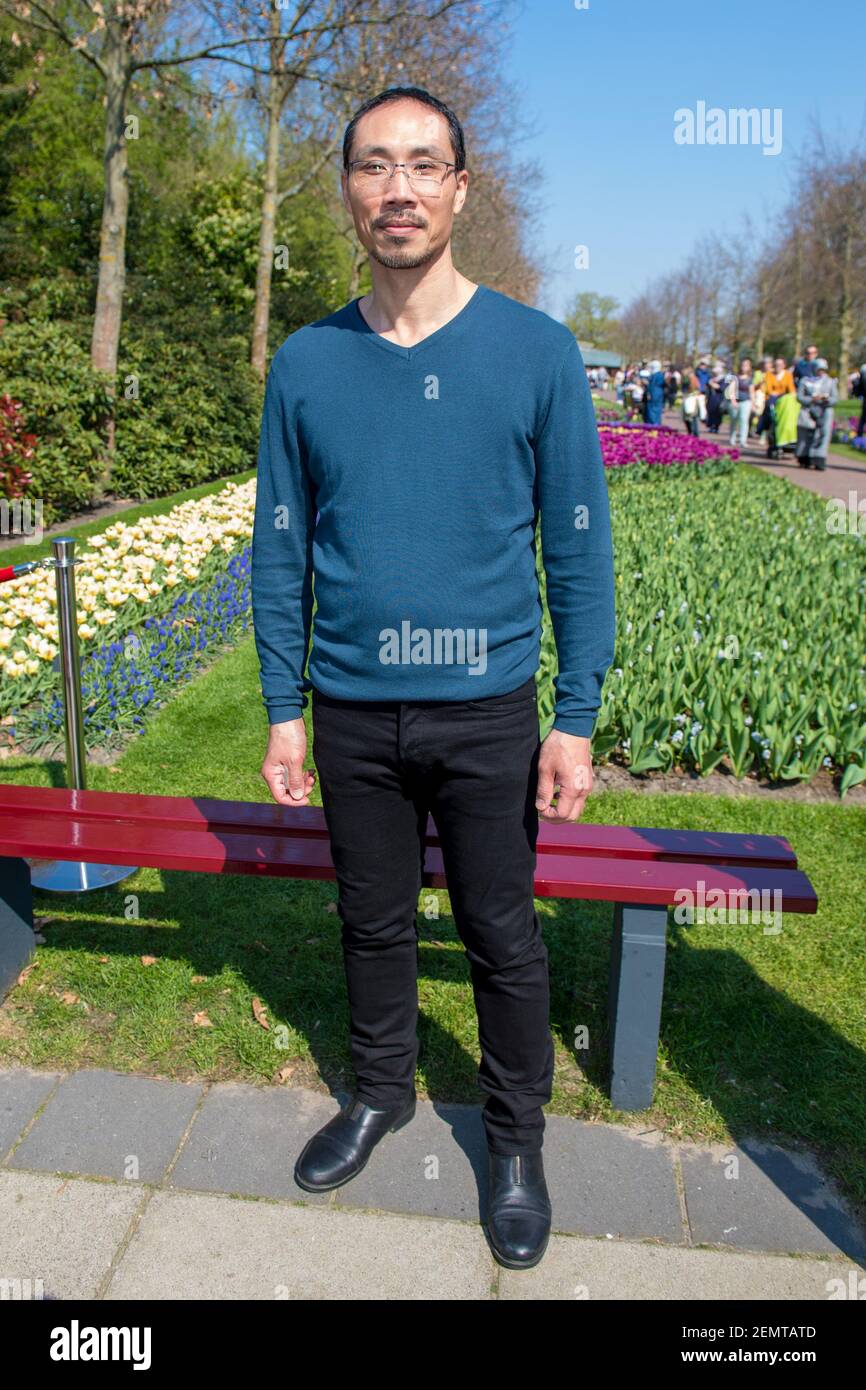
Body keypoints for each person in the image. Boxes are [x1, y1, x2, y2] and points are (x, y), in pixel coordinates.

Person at [251, 84, 615, 1273]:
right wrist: (281, 708)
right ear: (347, 188)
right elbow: (281, 544)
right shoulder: (308, 362)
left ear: (460, 187)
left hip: (485, 713)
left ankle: (514, 1142)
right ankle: (380, 1092)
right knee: (369, 921)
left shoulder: (534, 352)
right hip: (353, 712)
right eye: (372, 166)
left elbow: (575, 546)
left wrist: (572, 716)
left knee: (501, 933)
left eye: (421, 166)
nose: (396, 189)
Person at [795, 358, 838, 469]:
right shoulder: (805, 381)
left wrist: (826, 400)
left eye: (823, 369)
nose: (821, 372)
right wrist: (811, 399)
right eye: (819, 369)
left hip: (824, 411)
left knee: (822, 435)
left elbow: (835, 398)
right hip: (808, 410)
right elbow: (799, 397)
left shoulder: (830, 381)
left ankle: (819, 458)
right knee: (805, 435)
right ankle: (804, 457)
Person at [761, 356, 797, 458]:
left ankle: (786, 443)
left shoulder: (788, 375)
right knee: (772, 424)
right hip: (771, 402)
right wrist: (775, 394)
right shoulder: (769, 375)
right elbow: (767, 389)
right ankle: (772, 445)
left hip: (784, 403)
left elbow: (791, 389)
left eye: (780, 365)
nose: (778, 367)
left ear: (784, 366)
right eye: (776, 365)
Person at [728, 357, 755, 449]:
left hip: (746, 402)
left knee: (744, 420)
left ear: (749, 367)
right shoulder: (735, 377)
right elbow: (731, 390)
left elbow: (752, 392)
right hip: (736, 402)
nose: (744, 367)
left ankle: (743, 440)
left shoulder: (750, 379)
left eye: (746, 365)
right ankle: (732, 438)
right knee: (734, 421)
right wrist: (733, 401)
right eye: (743, 365)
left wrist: (753, 403)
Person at [704, 362, 726, 433]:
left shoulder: (722, 379)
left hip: (719, 399)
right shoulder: (711, 378)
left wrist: (712, 384)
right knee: (710, 413)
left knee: (717, 413)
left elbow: (721, 388)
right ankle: (711, 426)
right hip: (711, 398)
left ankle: (716, 427)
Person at [682, 366, 703, 435]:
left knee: (692, 417)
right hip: (690, 399)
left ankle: (693, 433)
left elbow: (696, 388)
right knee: (690, 418)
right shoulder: (687, 379)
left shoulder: (692, 379)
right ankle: (692, 432)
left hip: (691, 400)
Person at [645, 359, 665, 424]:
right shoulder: (660, 375)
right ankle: (656, 424)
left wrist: (649, 392)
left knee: (652, 410)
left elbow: (652, 386)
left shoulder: (655, 375)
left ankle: (653, 425)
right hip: (658, 394)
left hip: (654, 394)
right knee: (657, 410)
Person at [850, 363, 866, 438]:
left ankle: (859, 436)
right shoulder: (864, 369)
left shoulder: (863, 368)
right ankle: (859, 437)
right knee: (863, 418)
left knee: (863, 418)